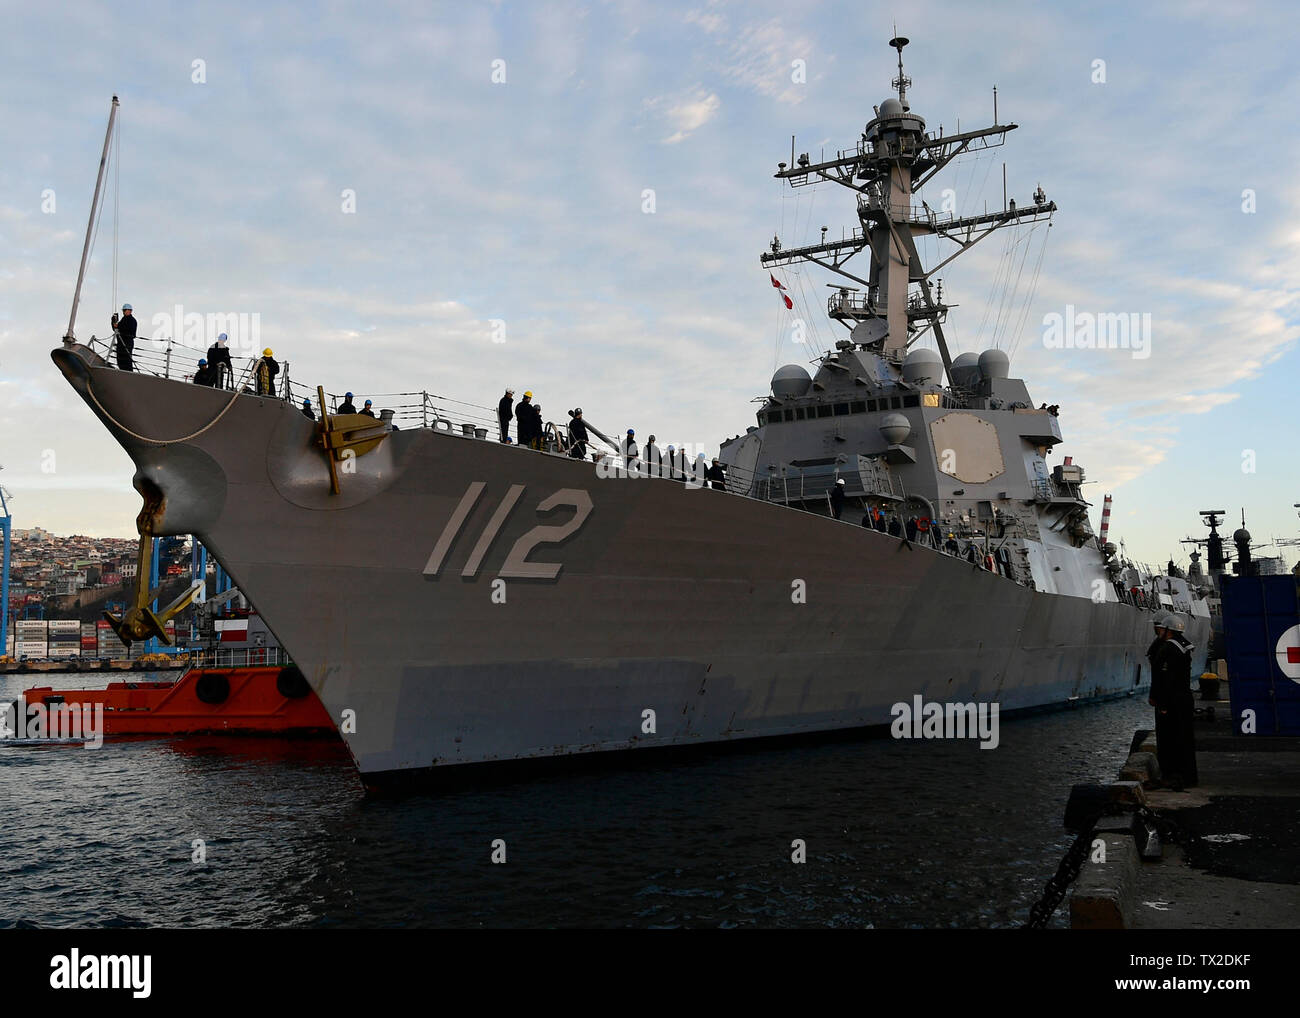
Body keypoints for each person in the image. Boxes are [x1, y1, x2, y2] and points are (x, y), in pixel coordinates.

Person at [1148, 613, 1198, 790]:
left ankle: (1172, 776)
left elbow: (1166, 679)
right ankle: (1186, 776)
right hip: (1183, 699)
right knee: (1184, 739)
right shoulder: (1182, 646)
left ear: (1168, 630)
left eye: (1160, 628)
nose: (1157, 631)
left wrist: (1162, 703)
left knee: (1169, 740)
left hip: (1171, 701)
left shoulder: (1169, 649)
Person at [114, 303, 136, 371]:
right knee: (120, 360)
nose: (124, 312)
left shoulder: (132, 320)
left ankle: (129, 374)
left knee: (127, 360)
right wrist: (113, 322)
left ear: (130, 311)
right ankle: (122, 371)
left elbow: (129, 330)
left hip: (127, 343)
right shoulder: (123, 319)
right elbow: (116, 329)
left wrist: (118, 326)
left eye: (126, 310)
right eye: (124, 310)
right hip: (121, 343)